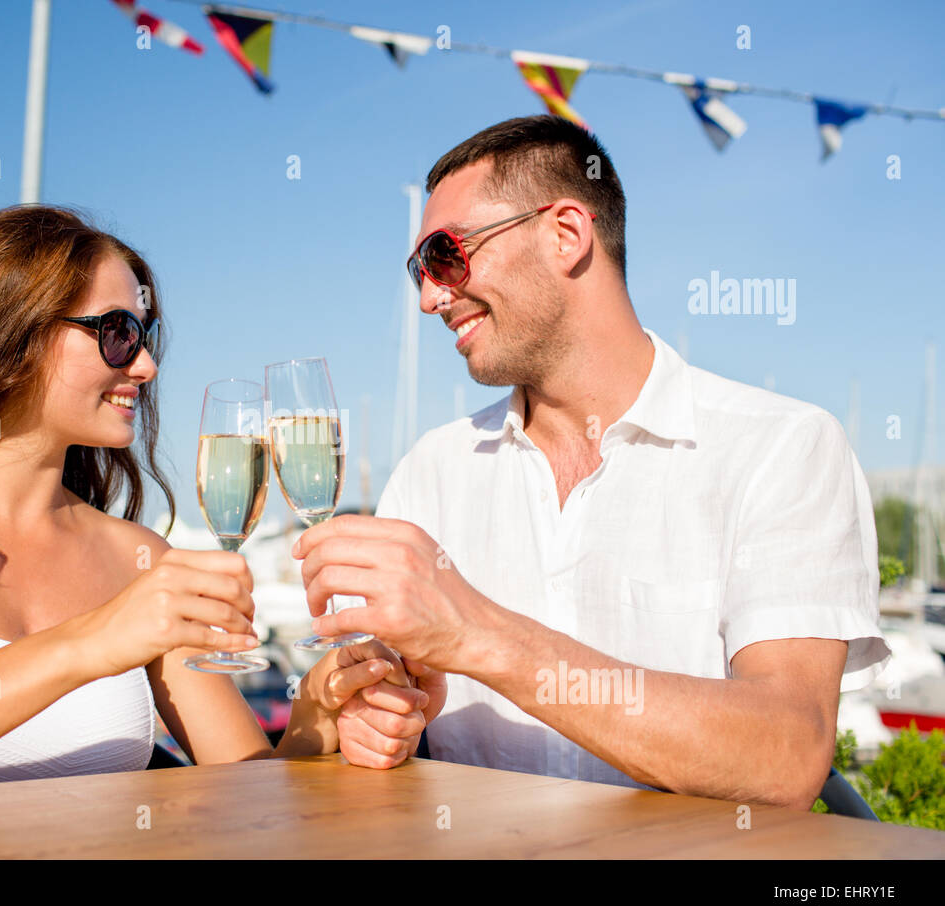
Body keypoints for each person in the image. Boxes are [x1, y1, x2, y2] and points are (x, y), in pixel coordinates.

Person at [0, 205, 427, 805]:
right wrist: (84, 645)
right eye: (117, 333)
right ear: (13, 335)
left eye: (144, 338)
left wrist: (316, 714)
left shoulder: (141, 561)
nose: (145, 366)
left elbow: (248, 795)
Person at [294, 115, 890, 810]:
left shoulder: (781, 447)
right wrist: (374, 718)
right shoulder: (430, 473)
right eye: (420, 271)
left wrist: (480, 635)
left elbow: (789, 752)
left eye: (444, 255)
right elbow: (379, 705)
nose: (429, 296)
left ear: (567, 235)